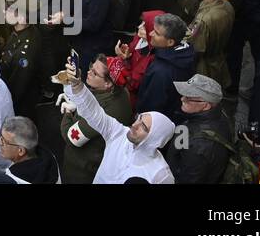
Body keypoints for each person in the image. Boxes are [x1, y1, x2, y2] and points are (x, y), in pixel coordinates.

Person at [56, 59, 176, 184]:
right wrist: (76, 85)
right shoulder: (118, 134)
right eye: (139, 119)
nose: (134, 125)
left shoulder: (161, 175)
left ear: (155, 138)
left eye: (144, 127)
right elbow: (94, 113)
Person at [58, 53, 133, 184]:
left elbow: (71, 137)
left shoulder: (108, 109)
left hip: (83, 169)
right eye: (91, 67)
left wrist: (69, 112)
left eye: (95, 73)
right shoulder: (119, 91)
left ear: (108, 84)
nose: (88, 72)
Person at [164, 74, 231, 184]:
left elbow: (187, 179)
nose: (182, 99)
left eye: (189, 98)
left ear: (206, 105)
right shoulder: (216, 113)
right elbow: (178, 148)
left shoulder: (199, 147)